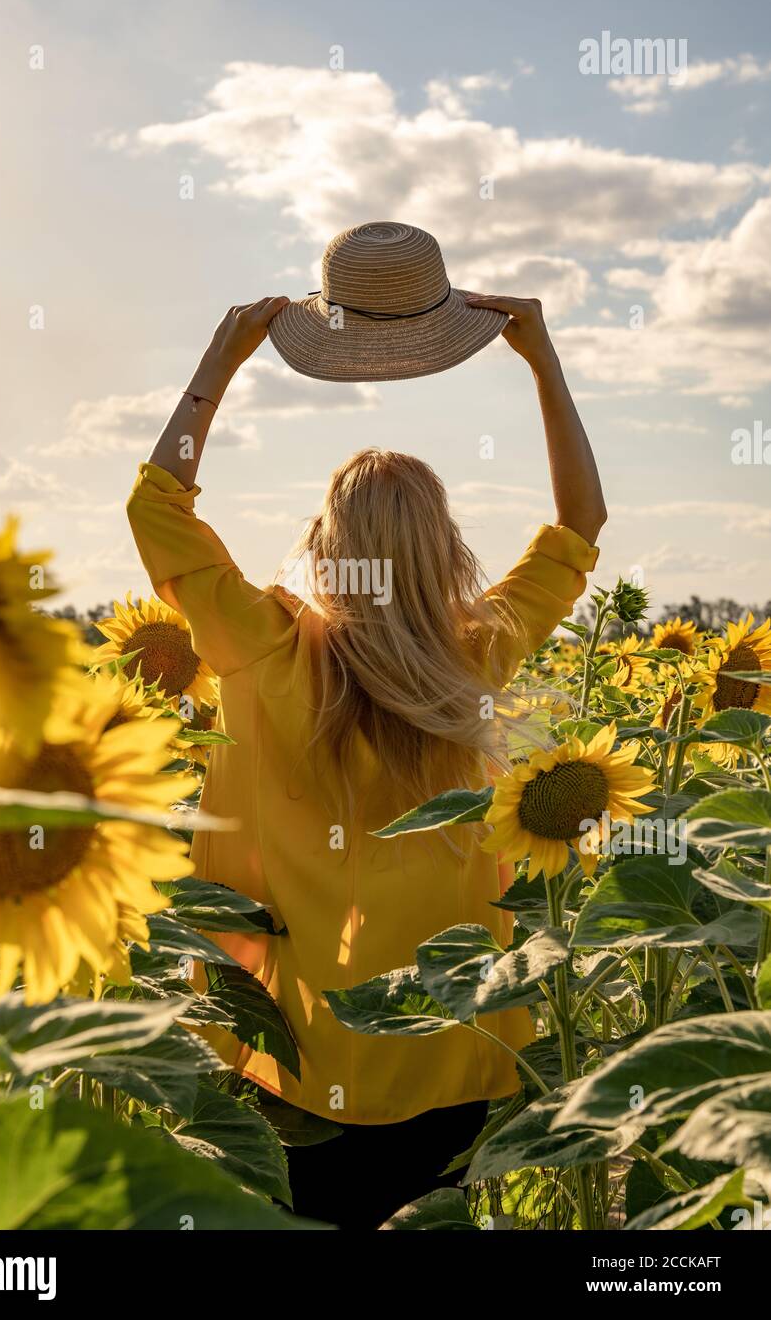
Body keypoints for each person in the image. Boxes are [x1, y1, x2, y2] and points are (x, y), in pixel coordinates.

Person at [127, 223, 606, 1229]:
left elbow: (156, 503)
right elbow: (579, 525)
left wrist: (221, 360)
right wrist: (540, 363)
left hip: (290, 1053)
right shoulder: (475, 654)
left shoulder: (259, 646)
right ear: (447, 553)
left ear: (321, 543)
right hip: (459, 1050)